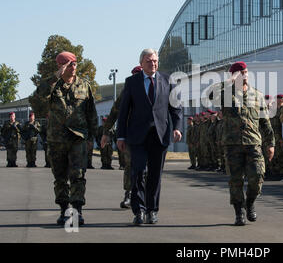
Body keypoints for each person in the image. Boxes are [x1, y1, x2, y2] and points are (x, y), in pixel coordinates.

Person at [116, 48, 182, 226]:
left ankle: (152, 210)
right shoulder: (132, 82)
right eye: (148, 61)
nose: (152, 63)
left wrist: (176, 128)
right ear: (141, 63)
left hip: (159, 136)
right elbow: (124, 112)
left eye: (154, 60)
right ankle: (139, 211)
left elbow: (175, 108)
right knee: (138, 172)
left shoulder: (167, 80)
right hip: (137, 136)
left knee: (155, 174)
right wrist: (120, 136)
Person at [32, 51, 98, 226]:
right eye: (69, 64)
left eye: (75, 63)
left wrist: (93, 136)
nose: (73, 67)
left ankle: (77, 211)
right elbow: (39, 96)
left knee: (78, 175)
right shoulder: (53, 86)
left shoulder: (84, 85)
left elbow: (91, 112)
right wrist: (56, 76)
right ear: (61, 66)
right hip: (57, 139)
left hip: (78, 138)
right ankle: (63, 210)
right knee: (60, 176)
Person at [208, 61, 274, 226]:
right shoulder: (226, 94)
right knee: (235, 180)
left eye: (245, 72)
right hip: (232, 144)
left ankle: (250, 202)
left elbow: (265, 121)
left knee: (257, 176)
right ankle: (239, 212)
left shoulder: (257, 95)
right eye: (240, 72)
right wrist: (229, 81)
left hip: (253, 143)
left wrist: (270, 143)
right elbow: (209, 94)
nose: (244, 75)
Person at [101, 65, 142, 208]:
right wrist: (106, 132)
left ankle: (145, 196)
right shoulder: (126, 93)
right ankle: (129, 194)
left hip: (148, 135)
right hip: (130, 134)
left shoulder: (152, 90)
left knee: (147, 167)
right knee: (129, 165)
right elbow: (114, 112)